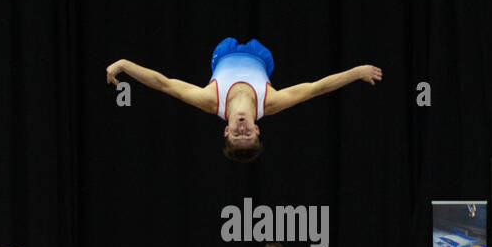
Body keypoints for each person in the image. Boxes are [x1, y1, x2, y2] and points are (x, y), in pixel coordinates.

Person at [106, 38, 382, 161]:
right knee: (266, 57)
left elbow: (164, 84)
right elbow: (315, 88)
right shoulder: (270, 103)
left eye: (236, 134)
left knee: (222, 48)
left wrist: (125, 64)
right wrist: (355, 73)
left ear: (225, 131)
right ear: (257, 129)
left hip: (223, 54)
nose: (241, 129)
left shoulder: (211, 100)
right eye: (247, 133)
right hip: (260, 57)